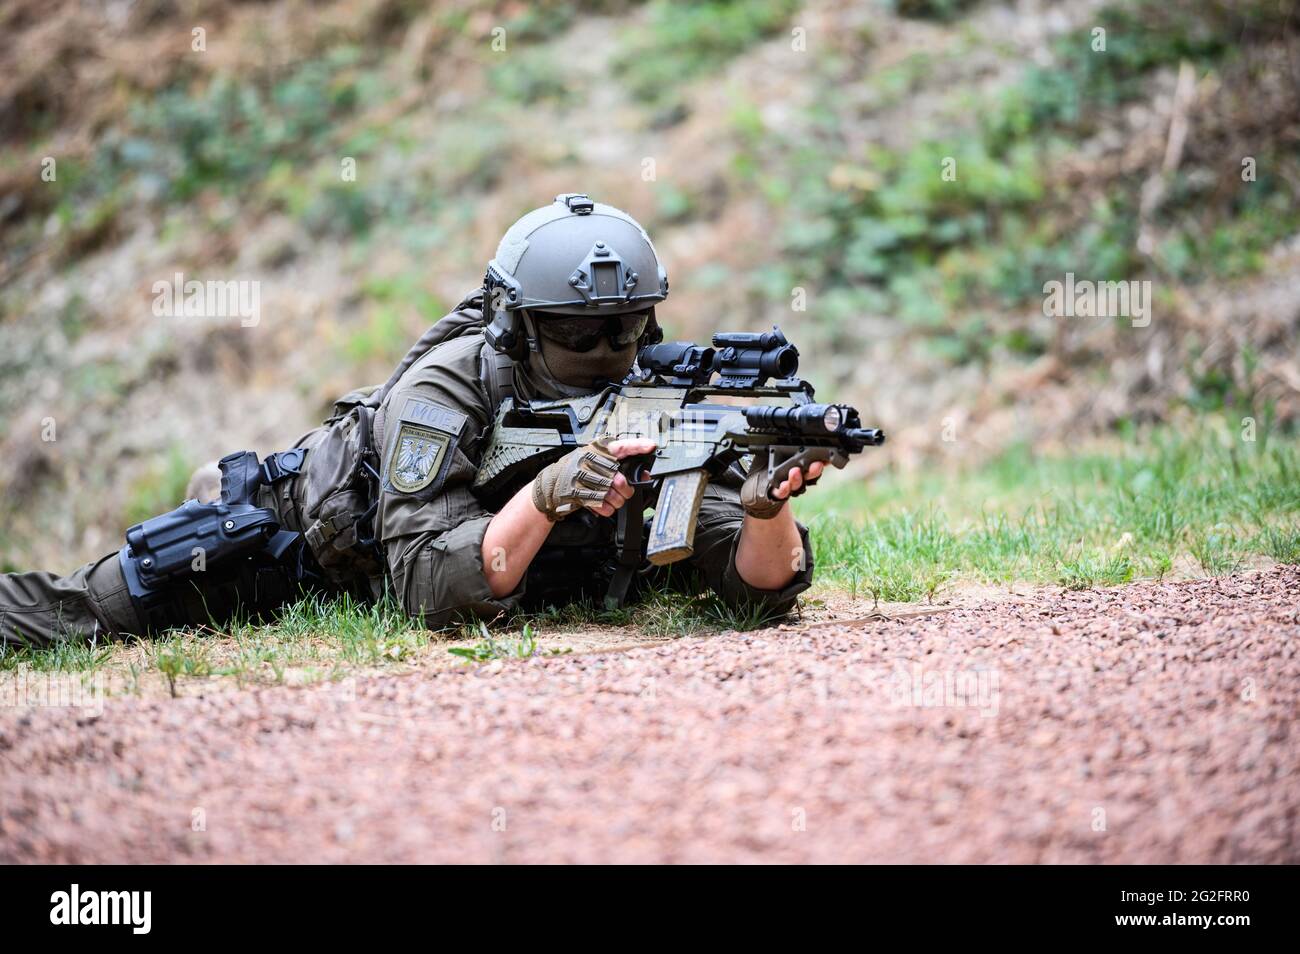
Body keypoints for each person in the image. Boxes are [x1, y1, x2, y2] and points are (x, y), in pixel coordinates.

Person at [0, 195, 823, 649]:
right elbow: (427, 588)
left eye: (628, 326)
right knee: (100, 606)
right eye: (577, 333)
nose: (609, 350)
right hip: (314, 544)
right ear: (516, 323)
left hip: (478, 539)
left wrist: (766, 506)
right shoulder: (447, 386)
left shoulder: (655, 387)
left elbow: (755, 585)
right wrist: (546, 496)